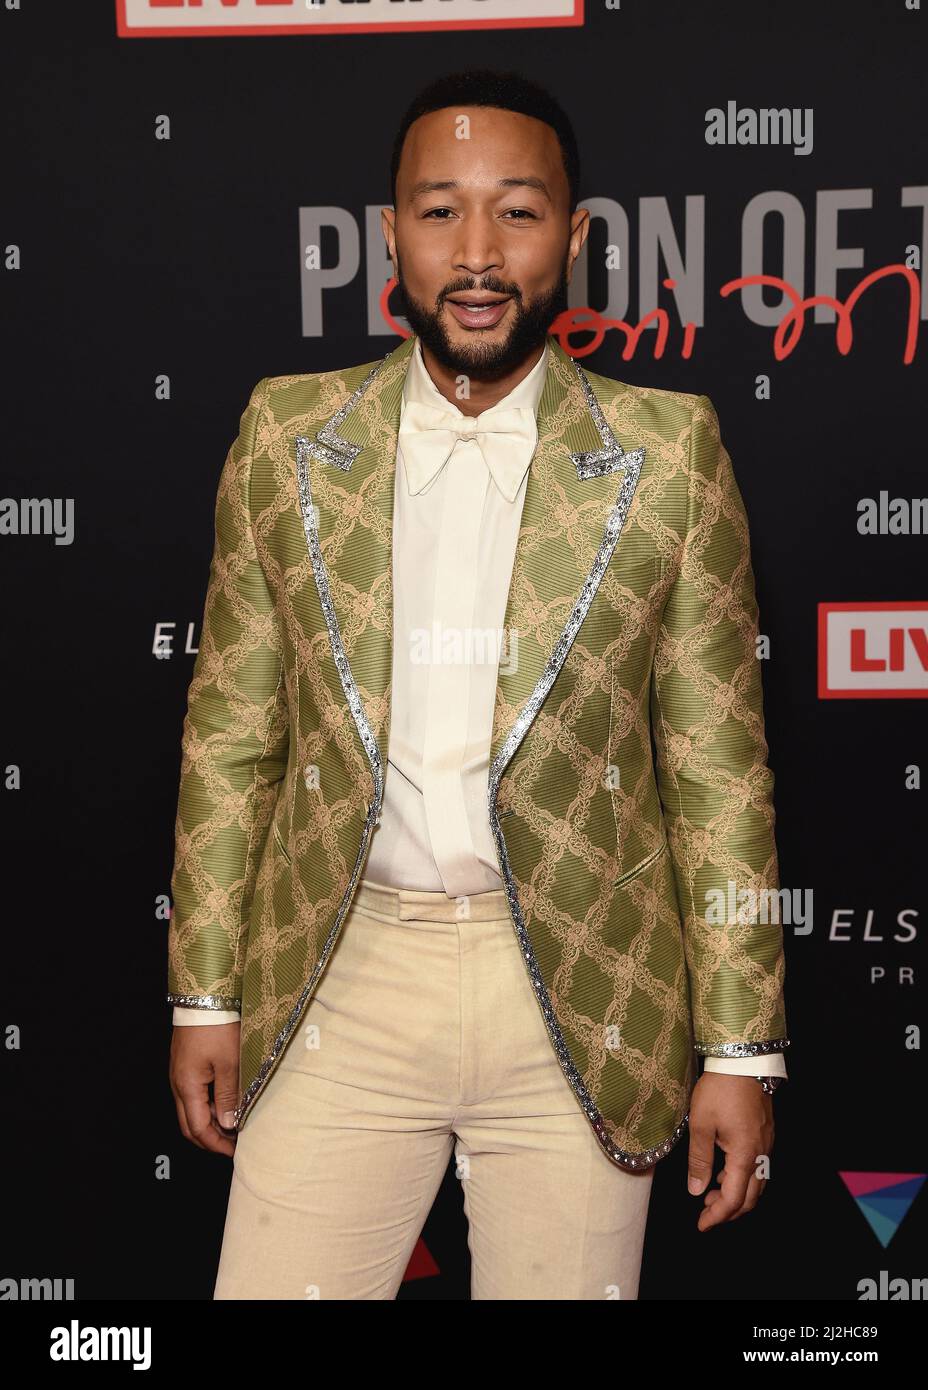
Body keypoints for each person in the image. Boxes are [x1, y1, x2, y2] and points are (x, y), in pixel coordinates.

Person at [167, 68, 788, 1300]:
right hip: (342, 975)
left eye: (517, 209)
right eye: (440, 211)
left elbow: (718, 771)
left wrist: (742, 1047)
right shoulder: (288, 438)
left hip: (582, 987)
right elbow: (233, 735)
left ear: (576, 236)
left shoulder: (668, 454)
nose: (478, 251)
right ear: (389, 235)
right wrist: (203, 991)